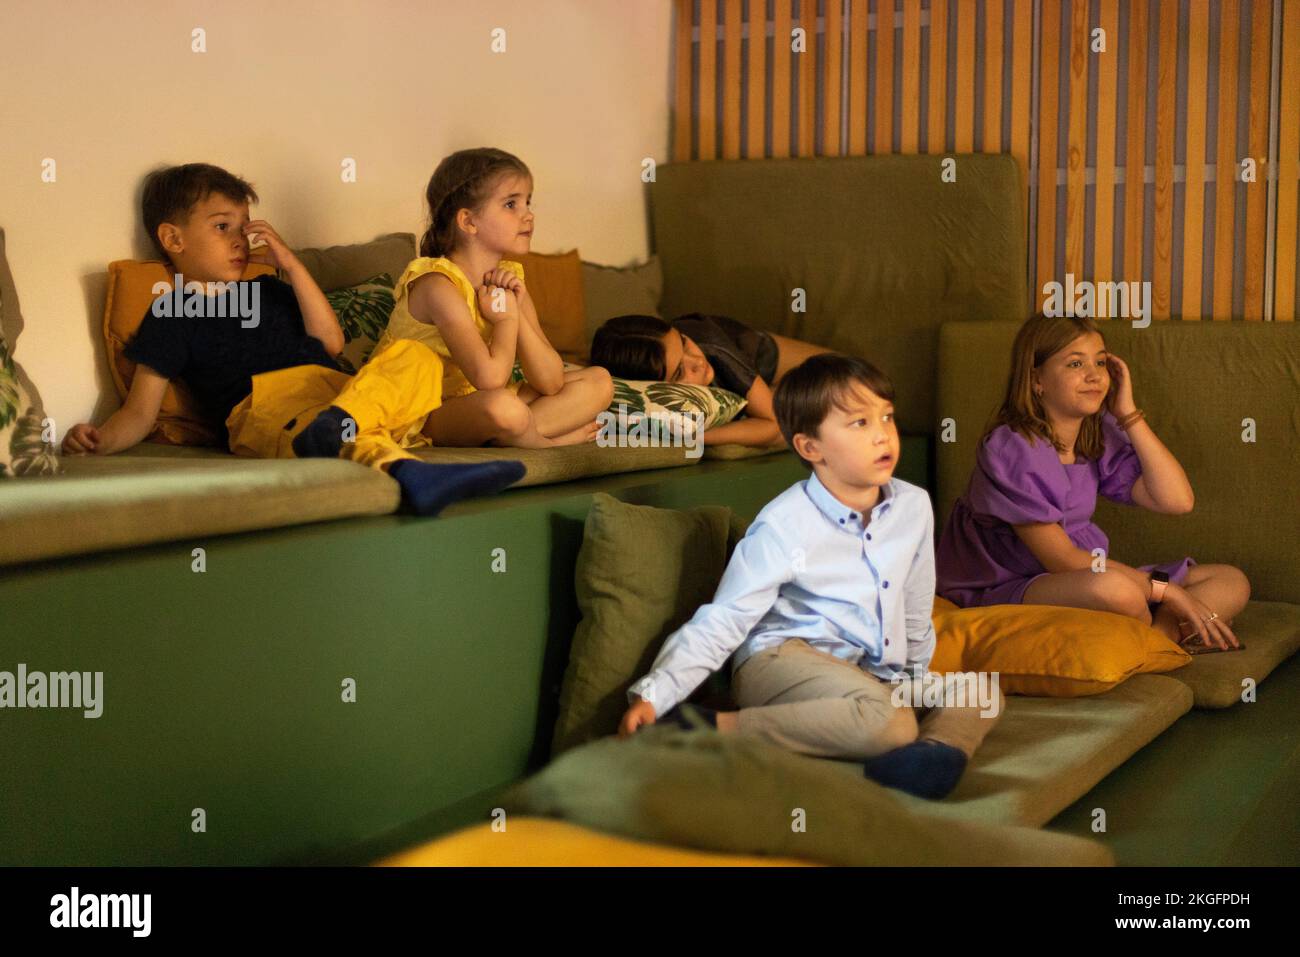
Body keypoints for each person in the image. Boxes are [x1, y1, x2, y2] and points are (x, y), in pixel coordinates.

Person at [618, 353, 1003, 800]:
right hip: (780, 659)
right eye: (859, 423)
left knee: (981, 689)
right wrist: (655, 694)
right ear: (810, 448)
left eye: (887, 417)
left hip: (865, 671)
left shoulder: (912, 505)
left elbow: (915, 602)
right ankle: (703, 728)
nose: (883, 434)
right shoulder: (783, 524)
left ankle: (934, 757)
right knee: (890, 723)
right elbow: (724, 619)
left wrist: (914, 678)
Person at [62, 163, 524, 516]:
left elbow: (331, 343)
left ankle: (369, 448)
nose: (240, 239)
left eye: (245, 226)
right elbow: (141, 412)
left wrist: (290, 262)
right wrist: (98, 439)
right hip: (265, 407)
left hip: (341, 392)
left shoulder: (269, 288)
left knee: (415, 356)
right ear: (173, 239)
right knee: (337, 433)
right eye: (222, 227)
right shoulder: (175, 309)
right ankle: (403, 469)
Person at [935, 313, 1250, 653]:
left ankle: (1158, 639)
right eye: (1074, 364)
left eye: (1100, 362)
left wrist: (1127, 413)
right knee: (1116, 590)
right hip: (1010, 584)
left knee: (1231, 581)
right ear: (1036, 378)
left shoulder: (1095, 434)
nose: (1093, 375)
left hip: (1083, 576)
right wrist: (1168, 591)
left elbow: (1177, 500)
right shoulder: (1014, 447)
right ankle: (1167, 634)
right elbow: (1063, 560)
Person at [300, 147, 612, 451]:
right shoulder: (438, 285)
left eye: (527, 203)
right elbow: (488, 379)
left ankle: (514, 433)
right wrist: (504, 321)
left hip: (480, 403)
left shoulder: (510, 279)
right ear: (468, 222)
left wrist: (514, 309)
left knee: (599, 382)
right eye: (510, 205)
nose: (528, 215)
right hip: (429, 411)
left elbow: (551, 382)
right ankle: (541, 440)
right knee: (503, 406)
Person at [589, 313, 832, 447]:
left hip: (751, 350)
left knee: (842, 378)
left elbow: (772, 423)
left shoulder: (711, 348)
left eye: (683, 342)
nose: (696, 360)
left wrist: (698, 437)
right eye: (679, 372)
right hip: (739, 388)